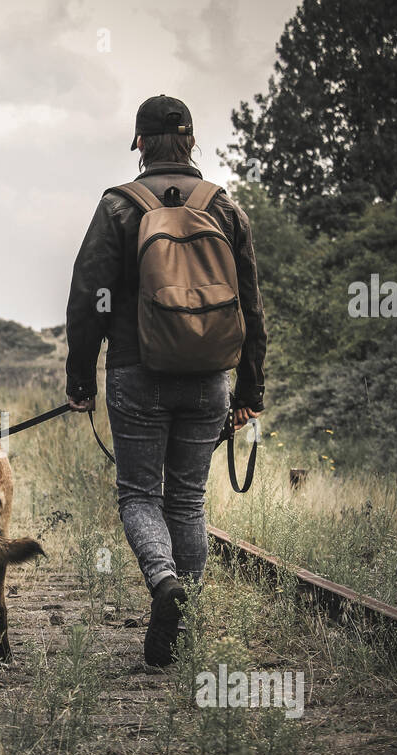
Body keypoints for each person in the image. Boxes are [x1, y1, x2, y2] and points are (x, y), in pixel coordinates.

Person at [64, 94, 267, 667]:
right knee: (187, 500)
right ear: (192, 141)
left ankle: (163, 584)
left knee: (138, 495)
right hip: (209, 381)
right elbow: (250, 306)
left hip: (135, 371)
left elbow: (88, 299)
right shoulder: (224, 208)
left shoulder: (118, 207)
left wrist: (80, 379)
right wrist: (250, 391)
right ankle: (186, 622)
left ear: (140, 144)